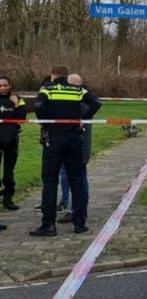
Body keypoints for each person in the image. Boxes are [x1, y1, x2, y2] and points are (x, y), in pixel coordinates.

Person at [30, 66, 101, 237]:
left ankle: (48, 225)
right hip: (74, 139)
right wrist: (83, 118)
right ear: (67, 76)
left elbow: (38, 105)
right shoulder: (78, 90)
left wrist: (45, 121)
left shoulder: (48, 89)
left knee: (50, 182)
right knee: (76, 180)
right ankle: (79, 224)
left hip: (54, 139)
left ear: (53, 76)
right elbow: (96, 103)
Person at [57, 74, 92, 224]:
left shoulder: (80, 100)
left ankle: (78, 210)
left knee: (78, 179)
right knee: (76, 177)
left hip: (77, 146)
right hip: (78, 145)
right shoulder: (86, 98)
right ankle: (77, 208)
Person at [0, 75, 27, 214]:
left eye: (5, 85)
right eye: (0, 86)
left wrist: (16, 104)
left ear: (10, 86)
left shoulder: (17, 99)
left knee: (8, 174)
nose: (3, 88)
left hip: (11, 140)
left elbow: (22, 118)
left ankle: (8, 199)